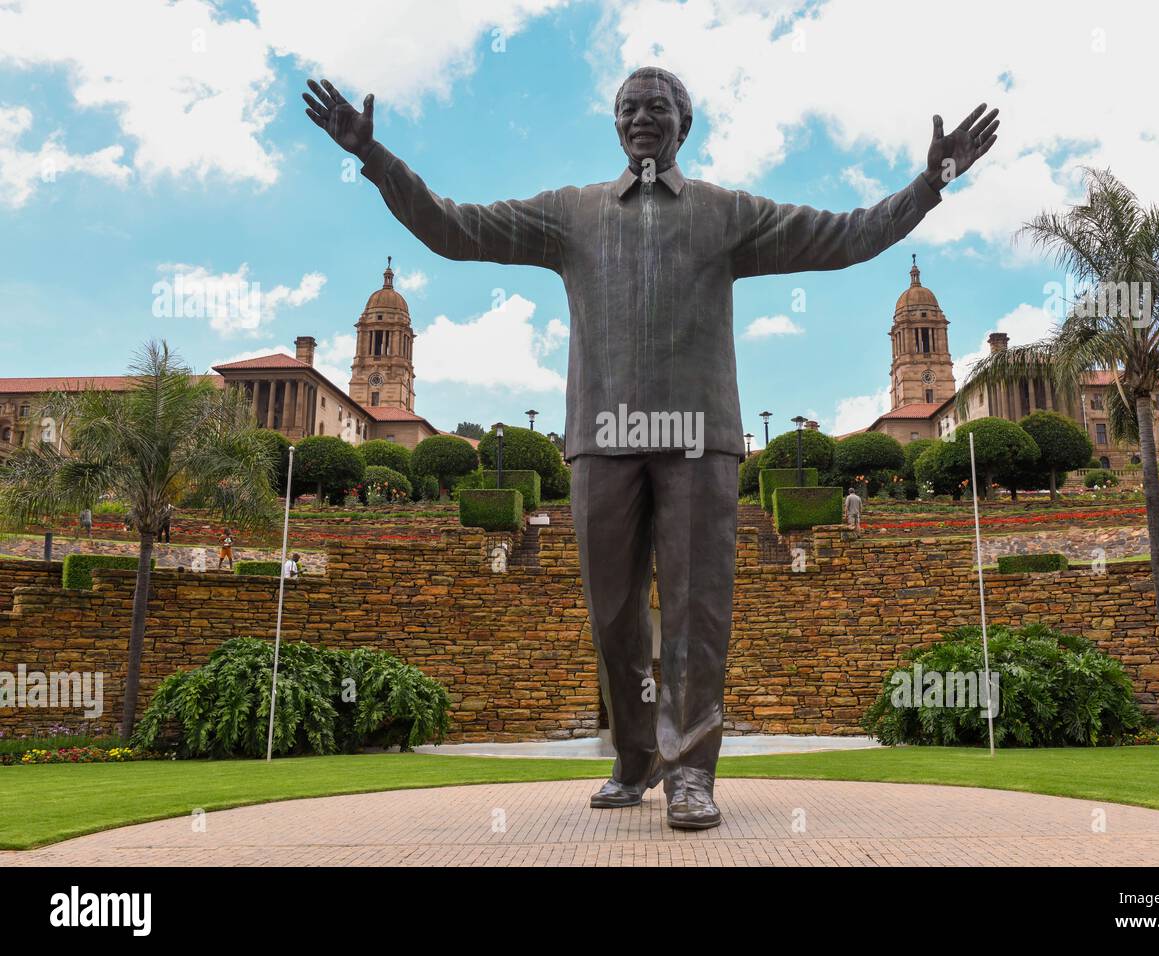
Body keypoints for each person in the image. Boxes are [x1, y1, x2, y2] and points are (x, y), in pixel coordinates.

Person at [303, 68, 996, 831]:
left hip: (699, 440)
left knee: (699, 610)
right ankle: (635, 755)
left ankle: (691, 770)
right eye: (629, 108)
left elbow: (846, 235)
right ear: (614, 124)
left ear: (683, 125)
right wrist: (376, 160)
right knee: (612, 613)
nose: (641, 119)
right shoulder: (570, 214)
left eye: (657, 108)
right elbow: (453, 227)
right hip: (602, 438)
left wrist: (934, 180)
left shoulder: (726, 213)